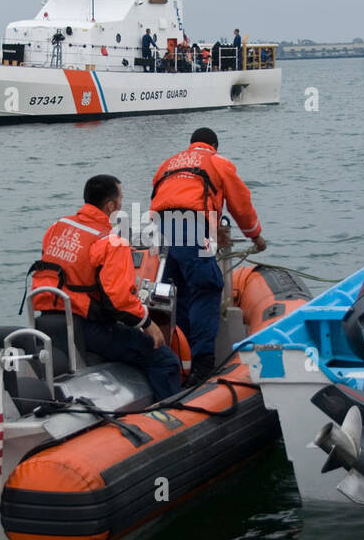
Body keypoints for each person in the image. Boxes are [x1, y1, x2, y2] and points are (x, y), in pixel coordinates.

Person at [30, 175, 181, 402]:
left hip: (47, 318)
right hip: (87, 325)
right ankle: (169, 416)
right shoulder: (110, 241)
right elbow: (120, 300)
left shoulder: (57, 227)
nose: (121, 203)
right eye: (120, 198)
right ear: (111, 205)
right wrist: (148, 324)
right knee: (165, 360)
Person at [150, 128, 267, 382]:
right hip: (190, 228)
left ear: (191, 145)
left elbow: (170, 197)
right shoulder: (217, 161)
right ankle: (202, 363)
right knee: (208, 285)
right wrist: (255, 235)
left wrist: (211, 230)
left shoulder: (168, 163)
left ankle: (179, 356)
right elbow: (240, 202)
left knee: (175, 293)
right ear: (213, 145)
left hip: (161, 230)